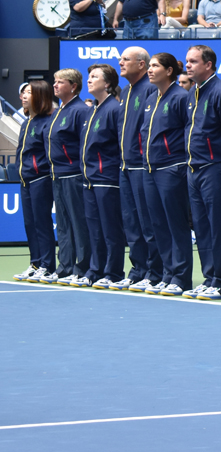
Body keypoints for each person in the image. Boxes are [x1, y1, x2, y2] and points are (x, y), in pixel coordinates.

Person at [181, 45, 221, 300]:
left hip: (217, 169)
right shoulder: (192, 93)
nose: (188, 66)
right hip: (194, 169)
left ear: (209, 65)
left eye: (193, 62)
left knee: (219, 227)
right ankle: (209, 277)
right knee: (202, 228)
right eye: (187, 61)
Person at [140, 53, 192, 296]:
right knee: (158, 225)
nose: (150, 70)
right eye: (149, 66)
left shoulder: (181, 97)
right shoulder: (151, 98)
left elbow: (188, 132)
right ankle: (167, 273)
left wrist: (179, 162)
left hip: (173, 168)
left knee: (176, 225)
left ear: (169, 70)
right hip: (150, 169)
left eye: (155, 66)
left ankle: (181, 277)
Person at [115, 49, 164, 292]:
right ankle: (138, 270)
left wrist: (143, 159)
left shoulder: (149, 89)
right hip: (125, 166)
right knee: (131, 224)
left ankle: (155, 272)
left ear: (142, 64)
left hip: (142, 166)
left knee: (148, 223)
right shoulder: (125, 91)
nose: (120, 63)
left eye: (126, 60)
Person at [79, 64, 125, 290]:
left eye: (94, 77)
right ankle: (95, 270)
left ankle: (113, 272)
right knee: (94, 230)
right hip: (89, 180)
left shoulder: (114, 109)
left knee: (110, 229)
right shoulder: (91, 110)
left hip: (107, 179)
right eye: (88, 76)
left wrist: (112, 172)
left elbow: (119, 145)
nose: (89, 80)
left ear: (107, 83)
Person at [47, 70, 90, 286]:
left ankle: (81, 268)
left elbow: (84, 145)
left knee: (78, 223)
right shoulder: (58, 111)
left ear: (73, 86)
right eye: (54, 82)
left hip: (73, 175)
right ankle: (64, 267)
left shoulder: (81, 111)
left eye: (59, 82)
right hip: (58, 175)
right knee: (63, 224)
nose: (54, 86)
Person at [13, 81, 57, 284]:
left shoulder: (46, 121)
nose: (24, 95)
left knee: (42, 223)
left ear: (40, 96)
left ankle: (47, 266)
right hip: (25, 180)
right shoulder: (26, 122)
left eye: (29, 92)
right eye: (23, 92)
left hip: (41, 179)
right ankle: (36, 263)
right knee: (30, 224)